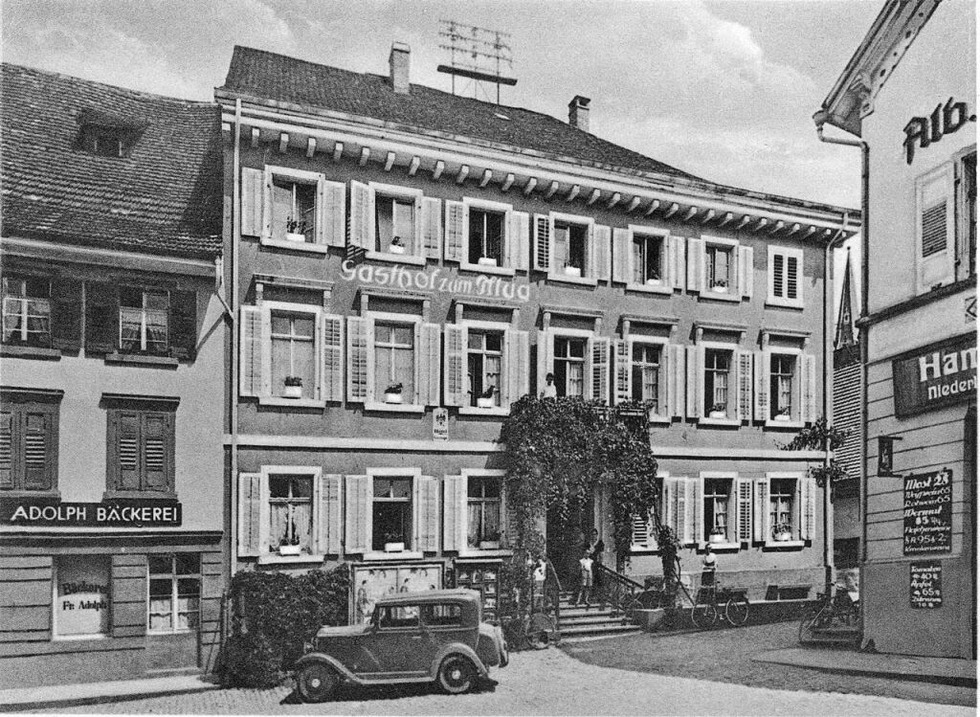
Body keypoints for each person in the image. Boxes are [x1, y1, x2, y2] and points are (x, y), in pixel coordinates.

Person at [587, 528, 604, 604]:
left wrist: (600, 563)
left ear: (597, 535)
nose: (594, 536)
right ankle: (588, 597)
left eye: (595, 535)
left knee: (596, 580)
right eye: (592, 535)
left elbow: (601, 555)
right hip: (588, 563)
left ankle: (597, 597)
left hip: (595, 564)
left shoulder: (599, 543)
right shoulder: (588, 544)